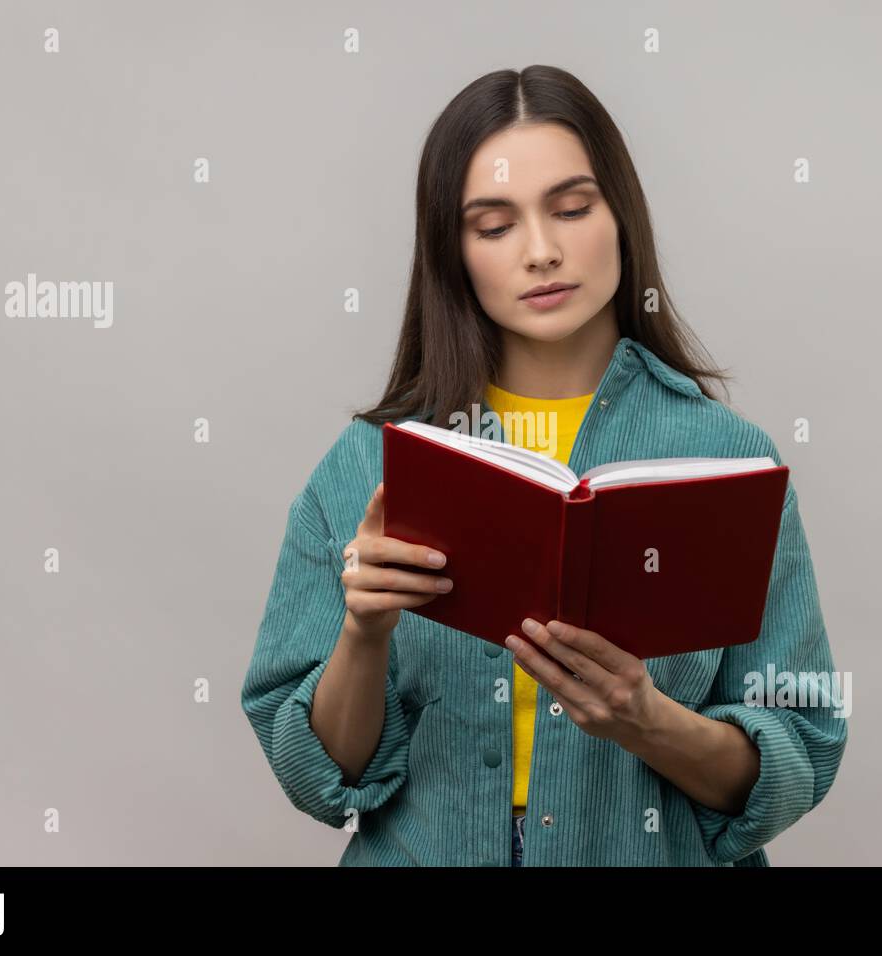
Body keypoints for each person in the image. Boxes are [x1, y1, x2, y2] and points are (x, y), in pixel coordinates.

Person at [241, 65, 847, 867]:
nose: (542, 251)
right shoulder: (367, 465)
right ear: (452, 252)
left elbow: (798, 753)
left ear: (619, 214)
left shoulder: (728, 458)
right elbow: (318, 778)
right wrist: (364, 630)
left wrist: (645, 719)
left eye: (571, 208)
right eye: (494, 226)